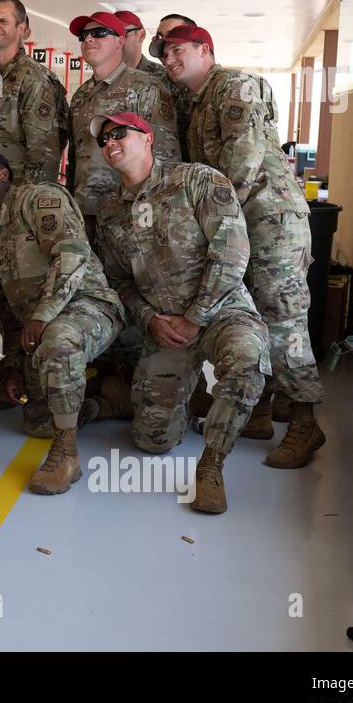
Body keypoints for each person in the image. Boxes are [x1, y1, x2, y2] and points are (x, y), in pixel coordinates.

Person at [159, 24, 325, 466]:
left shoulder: (234, 86)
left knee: (284, 317)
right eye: (164, 53)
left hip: (269, 220)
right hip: (240, 225)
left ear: (205, 49)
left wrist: (214, 226)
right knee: (252, 314)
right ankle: (260, 410)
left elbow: (243, 163)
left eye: (178, 50)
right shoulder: (196, 103)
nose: (170, 59)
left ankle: (307, 423)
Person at [93, 112, 270, 514]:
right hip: (165, 327)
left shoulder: (198, 180)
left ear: (148, 138)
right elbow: (119, 283)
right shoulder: (108, 214)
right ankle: (184, 400)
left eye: (120, 133)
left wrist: (196, 316)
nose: (110, 142)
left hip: (223, 312)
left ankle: (211, 464)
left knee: (246, 359)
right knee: (152, 440)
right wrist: (150, 320)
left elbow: (232, 251)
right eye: (103, 139)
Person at [0, 148, 123, 495]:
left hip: (88, 305)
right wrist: (15, 366)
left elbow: (72, 254)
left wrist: (43, 315)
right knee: (37, 421)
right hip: (42, 322)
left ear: (4, 174)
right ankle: (106, 403)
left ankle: (66, 456)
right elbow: (14, 303)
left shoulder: (39, 199)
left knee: (59, 343)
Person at [64, 11, 181, 224]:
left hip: (129, 214)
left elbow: (166, 158)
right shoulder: (81, 94)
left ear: (120, 41)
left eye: (99, 33)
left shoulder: (146, 87)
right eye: (84, 36)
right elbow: (76, 157)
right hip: (85, 212)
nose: (89, 39)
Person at [0, 0, 64, 183]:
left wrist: (31, 201)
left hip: (17, 191)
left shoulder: (35, 78)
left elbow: (43, 155)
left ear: (21, 28)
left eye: (3, 21)